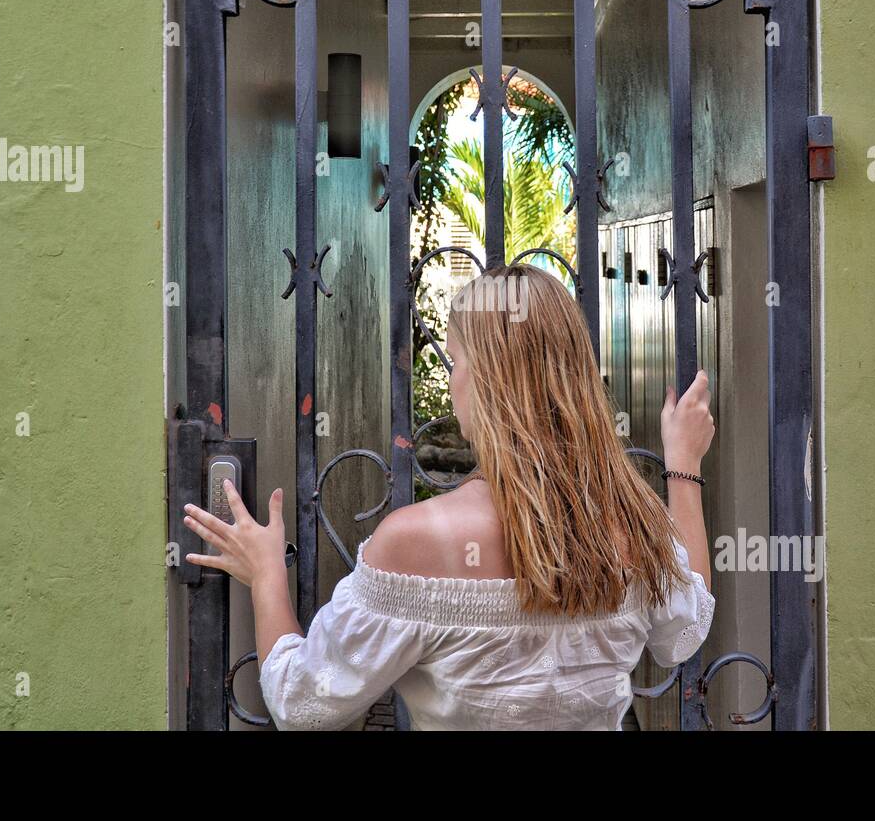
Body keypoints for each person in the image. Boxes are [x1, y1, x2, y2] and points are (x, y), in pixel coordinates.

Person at [182, 263, 716, 730]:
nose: (453, 377)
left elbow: (303, 705)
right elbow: (683, 636)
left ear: (486, 379)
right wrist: (684, 467)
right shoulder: (632, 526)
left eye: (456, 360)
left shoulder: (416, 540)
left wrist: (267, 573)